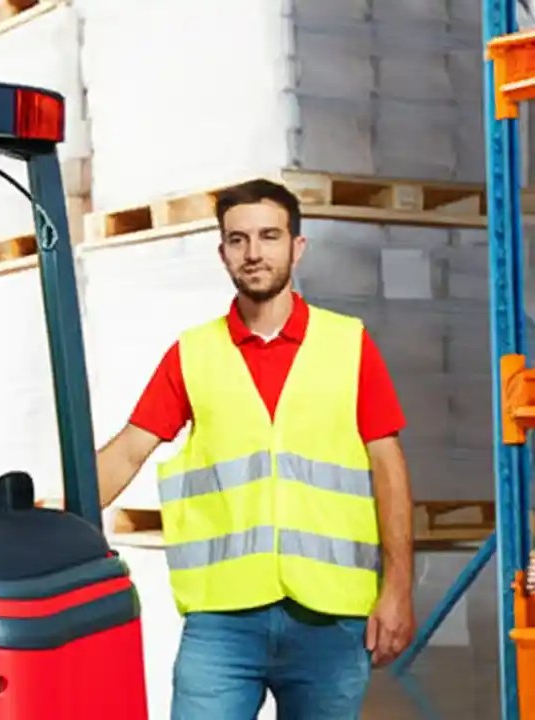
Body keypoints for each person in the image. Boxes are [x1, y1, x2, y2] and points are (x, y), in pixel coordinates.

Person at [94, 179, 416, 718]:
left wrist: (399, 587)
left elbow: (388, 466)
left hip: (330, 618)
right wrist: (53, 522)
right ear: (222, 254)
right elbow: (129, 449)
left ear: (297, 246)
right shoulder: (193, 354)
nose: (254, 252)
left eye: (269, 236)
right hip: (223, 621)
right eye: (238, 240)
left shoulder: (348, 345)